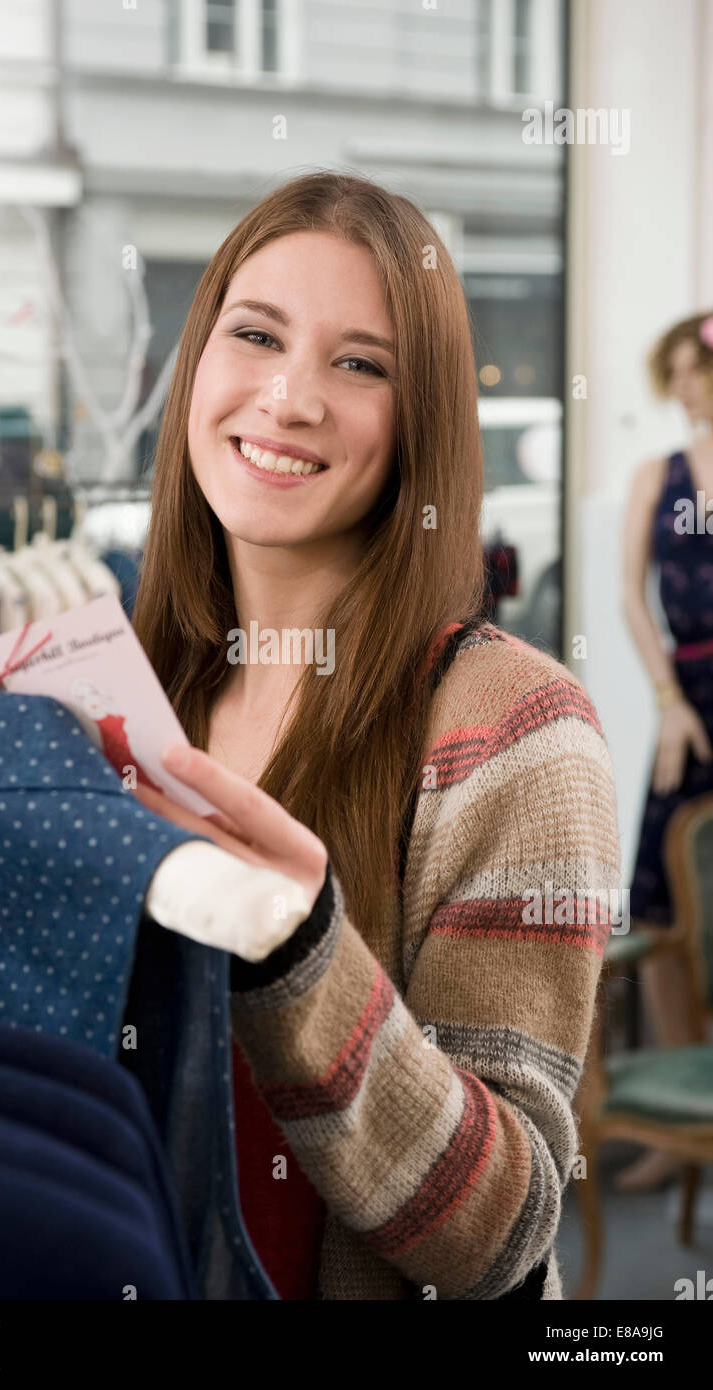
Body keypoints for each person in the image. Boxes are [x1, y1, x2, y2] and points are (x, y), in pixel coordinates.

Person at [128, 171, 621, 1300]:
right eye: (256, 334)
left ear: (420, 422)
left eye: (360, 364)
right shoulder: (122, 696)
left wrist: (299, 951)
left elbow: (500, 1236)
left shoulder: (514, 729)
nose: (290, 397)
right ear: (198, 361)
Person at [618, 310, 713, 1193]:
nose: (685, 386)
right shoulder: (661, 474)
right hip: (686, 699)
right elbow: (631, 598)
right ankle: (671, 1119)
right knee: (658, 898)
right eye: (676, 370)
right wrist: (669, 702)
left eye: (698, 369)